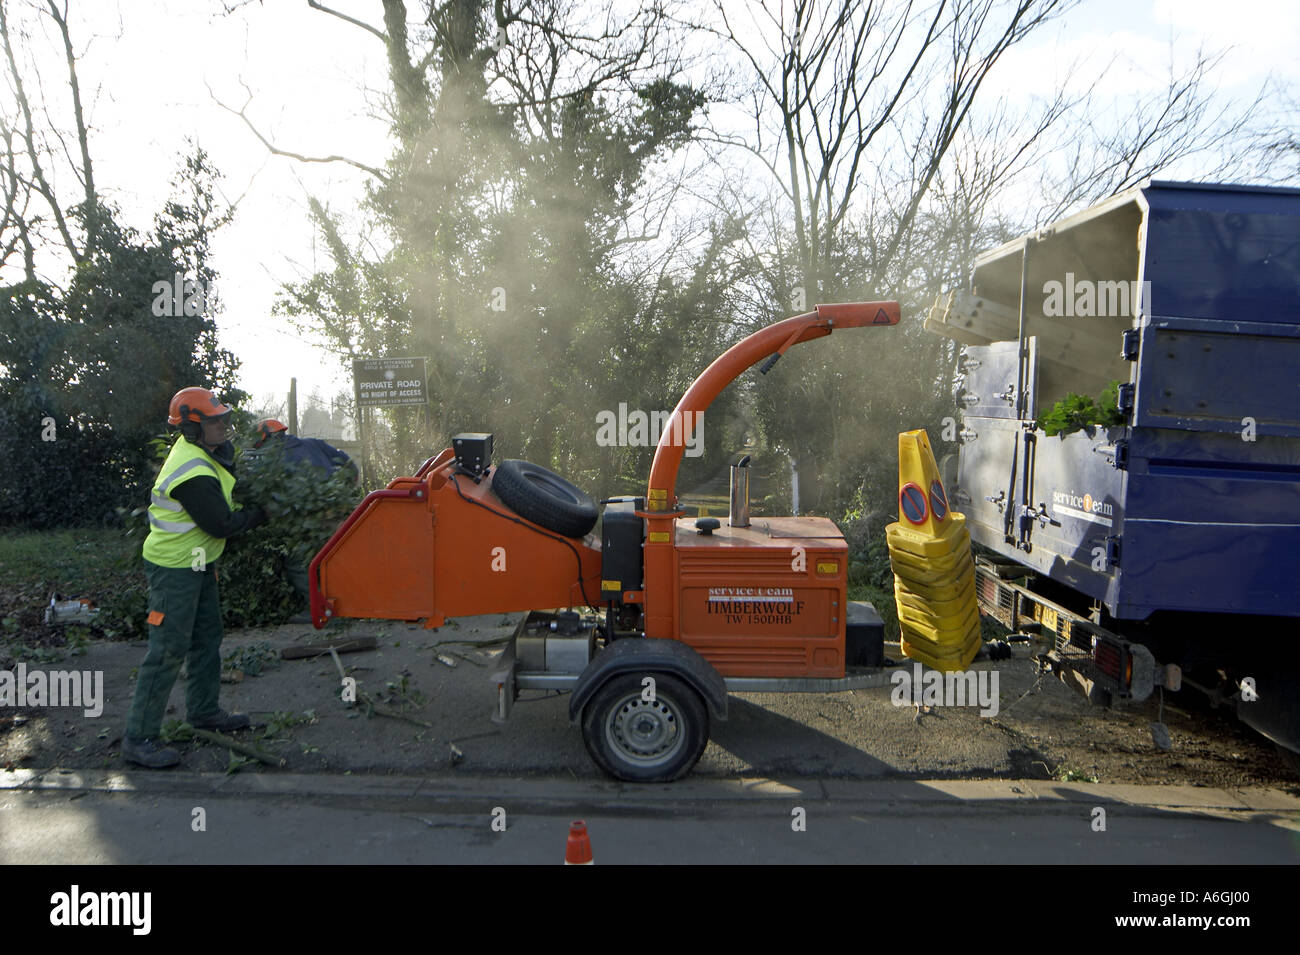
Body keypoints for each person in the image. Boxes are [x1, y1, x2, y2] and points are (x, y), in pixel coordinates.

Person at [122, 387, 268, 769]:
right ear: (191, 428)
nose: (224, 426)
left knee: (206, 637)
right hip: (174, 570)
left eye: (224, 419)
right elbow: (220, 523)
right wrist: (260, 514)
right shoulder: (192, 472)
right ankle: (139, 738)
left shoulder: (207, 455)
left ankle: (204, 711)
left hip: (200, 564)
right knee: (167, 649)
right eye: (215, 421)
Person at [253, 419, 357, 616]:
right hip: (339, 512)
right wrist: (346, 489)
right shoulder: (313, 443)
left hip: (309, 520)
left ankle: (317, 610)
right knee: (336, 559)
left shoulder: (277, 460)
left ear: (268, 439)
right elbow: (348, 463)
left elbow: (276, 500)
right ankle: (349, 605)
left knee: (297, 562)